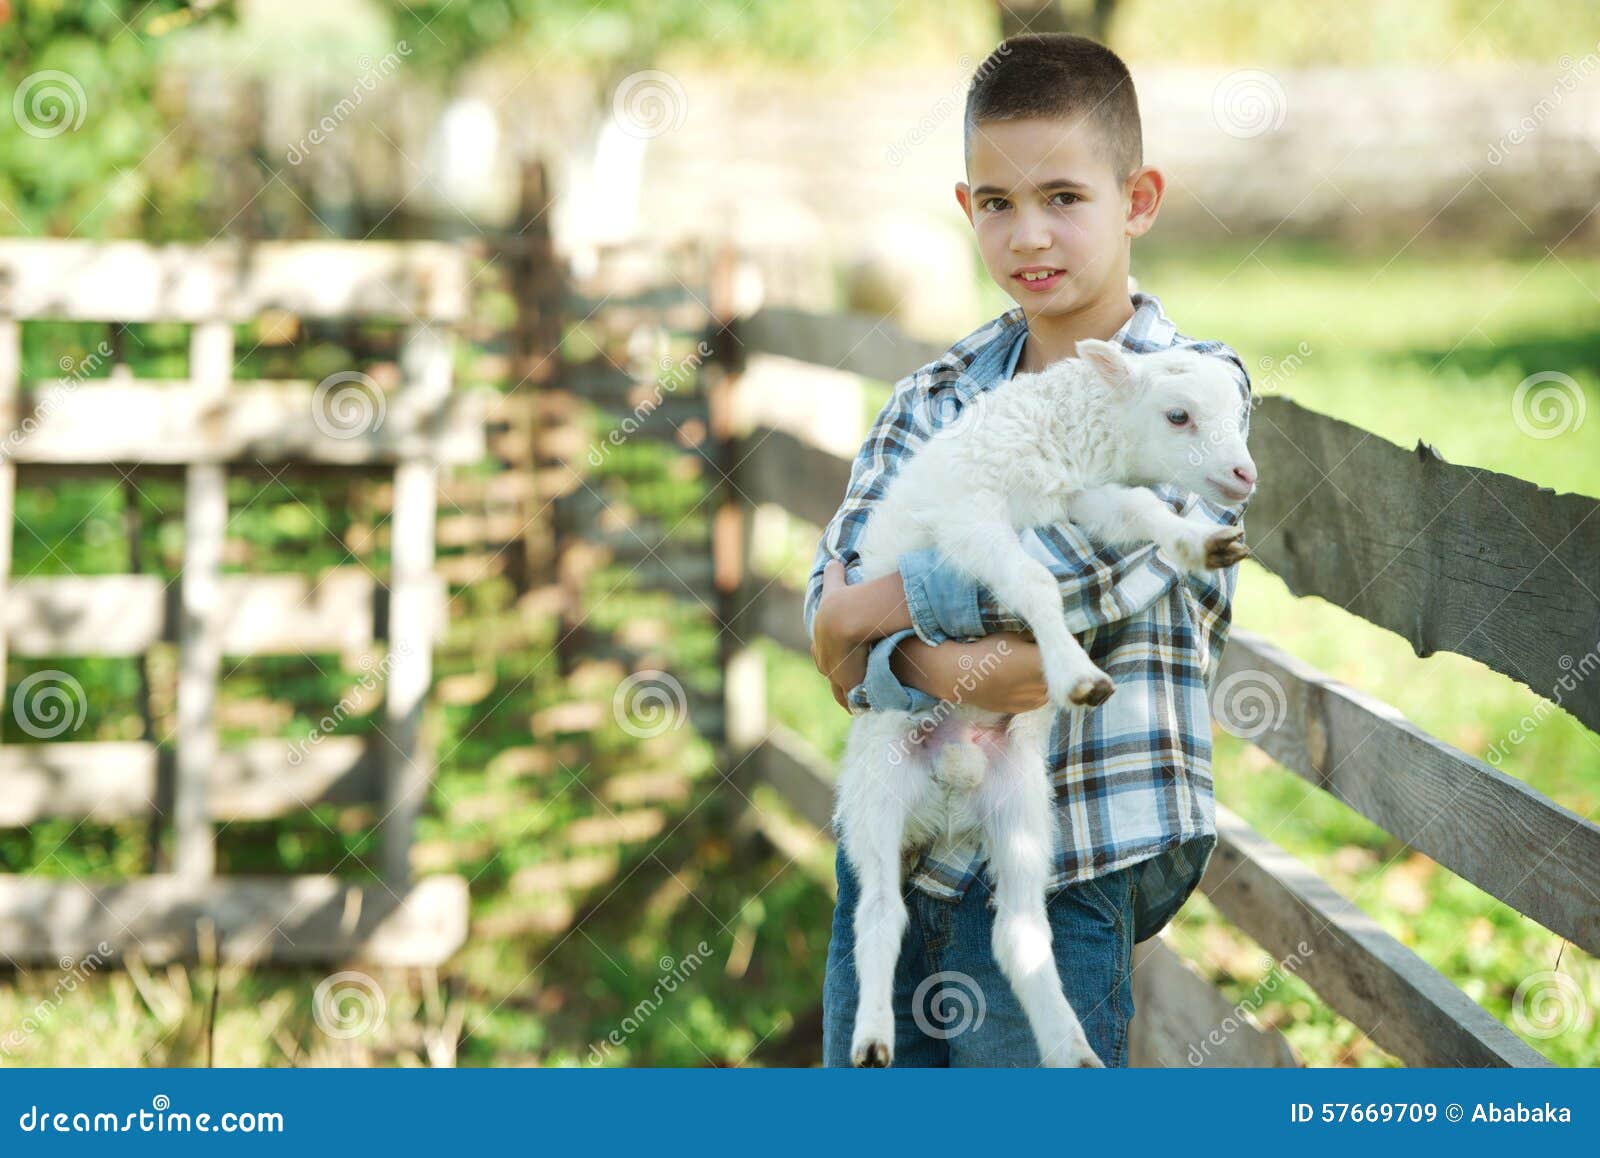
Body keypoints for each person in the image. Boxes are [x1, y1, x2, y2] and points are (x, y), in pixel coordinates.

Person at [804, 31, 1254, 1067]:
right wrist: (889, 646)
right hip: (906, 847)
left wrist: (873, 618)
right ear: (965, 208)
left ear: (1135, 200)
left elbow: (1089, 572)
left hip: (1069, 861)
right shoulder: (932, 394)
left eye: (1063, 197)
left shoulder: (1190, 394)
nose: (1028, 234)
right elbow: (828, 626)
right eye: (996, 203)